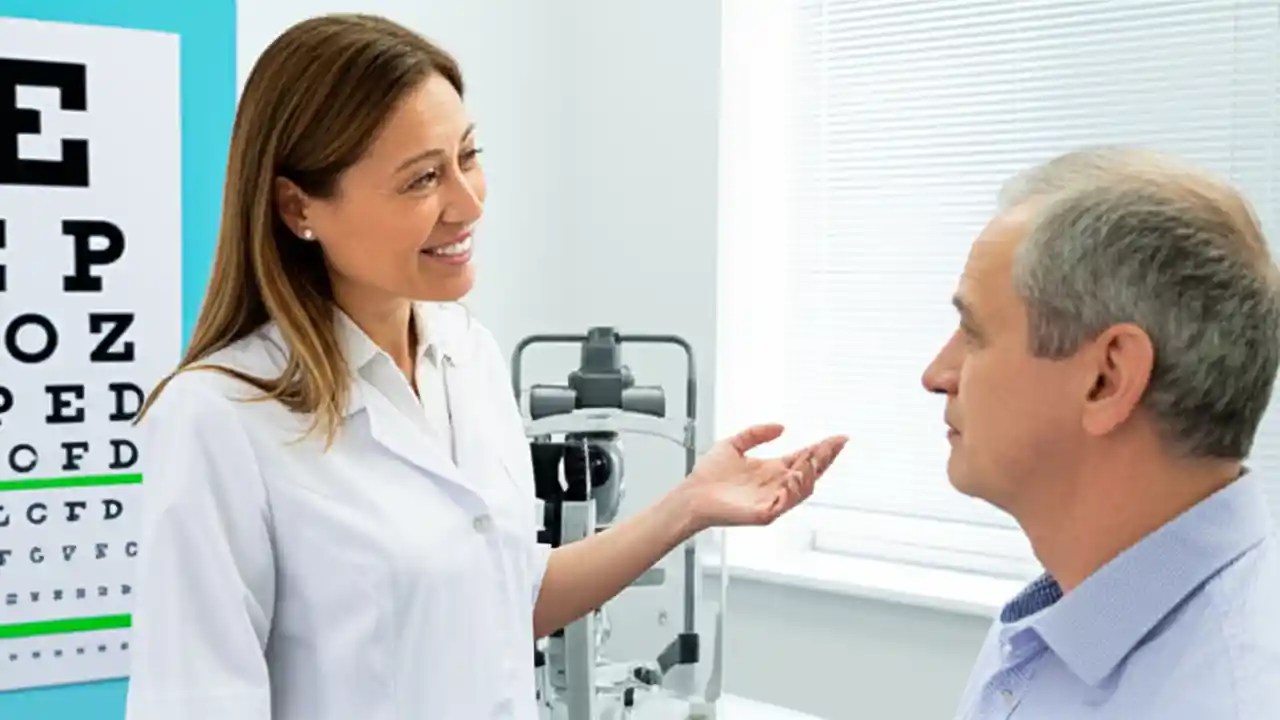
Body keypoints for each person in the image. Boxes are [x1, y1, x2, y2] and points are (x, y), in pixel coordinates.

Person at [121, 13, 847, 720]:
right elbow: (194, 700)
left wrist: (686, 507)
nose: (467, 204)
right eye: (421, 180)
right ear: (296, 206)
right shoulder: (219, 417)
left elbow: (507, 601)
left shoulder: (468, 356)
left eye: (468, 156)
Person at [923, 146, 1280, 719]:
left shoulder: (1233, 697)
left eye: (974, 332)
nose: (937, 375)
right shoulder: (1061, 620)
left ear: (1106, 378)